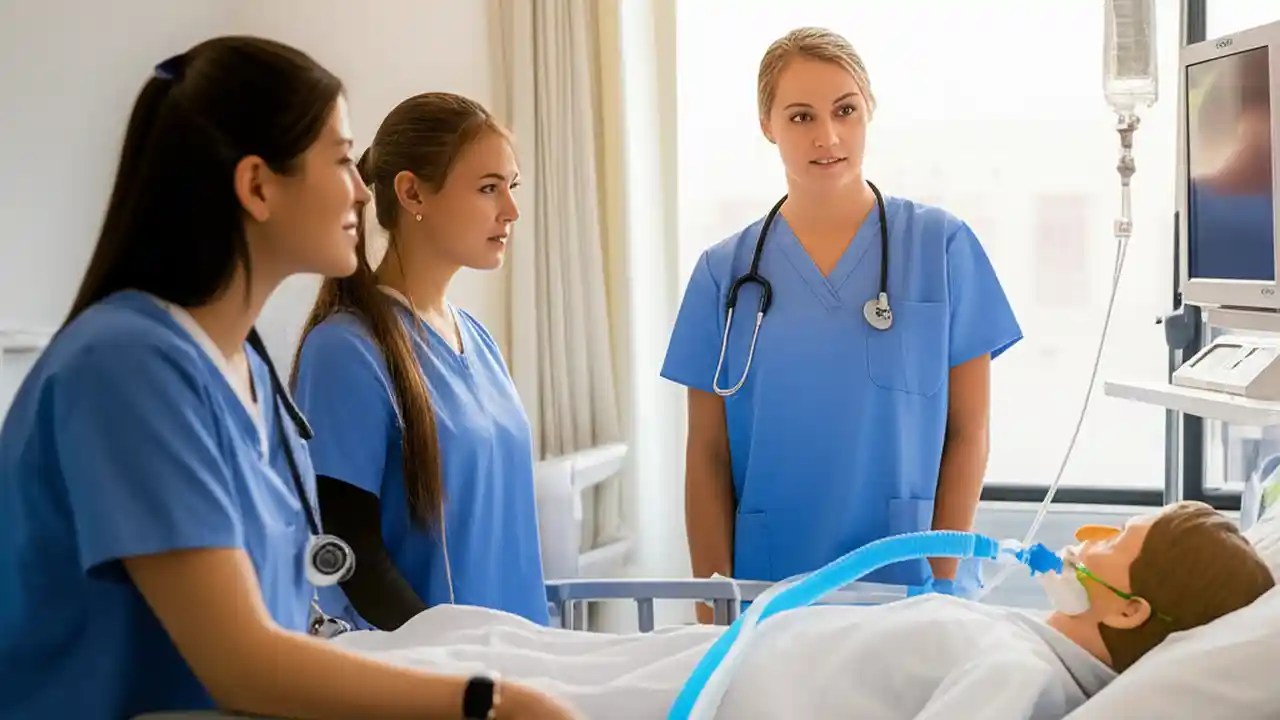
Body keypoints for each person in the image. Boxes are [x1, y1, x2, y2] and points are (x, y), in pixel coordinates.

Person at [0, 38, 577, 720]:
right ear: (257, 186)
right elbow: (243, 664)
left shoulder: (248, 374)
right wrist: (487, 699)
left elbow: (290, 614)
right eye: (340, 159)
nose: (360, 189)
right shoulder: (125, 368)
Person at [661, 26, 1023, 613]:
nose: (827, 136)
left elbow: (968, 431)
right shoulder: (723, 274)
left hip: (912, 585)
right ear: (767, 125)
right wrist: (713, 606)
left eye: (845, 110)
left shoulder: (941, 246)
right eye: (801, 116)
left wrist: (940, 577)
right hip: (770, 591)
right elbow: (707, 456)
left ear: (868, 111)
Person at [318, 501, 1277, 719]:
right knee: (493, 641)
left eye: (1115, 541)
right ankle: (327, 662)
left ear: (1128, 609)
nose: (1089, 538)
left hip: (702, 704)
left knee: (495, 678)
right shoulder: (1016, 636)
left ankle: (305, 678)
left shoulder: (1018, 675)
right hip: (715, 664)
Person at [291, 92, 548, 632]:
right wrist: (451, 660)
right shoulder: (345, 352)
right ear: (412, 192)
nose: (511, 210)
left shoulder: (477, 340)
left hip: (519, 655)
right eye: (488, 188)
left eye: (512, 186)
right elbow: (349, 553)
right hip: (438, 668)